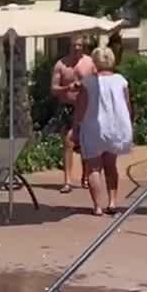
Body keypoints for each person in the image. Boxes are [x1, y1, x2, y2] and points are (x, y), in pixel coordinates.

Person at [77, 46, 133, 217]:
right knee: (111, 166)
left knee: (94, 168)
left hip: (93, 126)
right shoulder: (121, 80)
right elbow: (127, 106)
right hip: (115, 127)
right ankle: (113, 202)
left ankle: (97, 206)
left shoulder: (88, 81)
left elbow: (81, 107)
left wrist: (76, 125)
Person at [51, 35, 96, 193]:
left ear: (83, 47)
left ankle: (85, 177)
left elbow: (98, 83)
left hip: (86, 108)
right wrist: (67, 88)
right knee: (68, 143)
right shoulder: (61, 65)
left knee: (85, 144)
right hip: (67, 108)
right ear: (69, 46)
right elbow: (54, 88)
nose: (77, 48)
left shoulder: (90, 63)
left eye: (79, 45)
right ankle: (68, 181)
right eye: (74, 45)